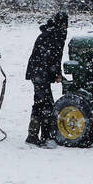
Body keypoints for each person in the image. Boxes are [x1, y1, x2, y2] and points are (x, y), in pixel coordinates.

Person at [25, 11, 68, 146]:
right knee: (44, 103)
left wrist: (55, 73)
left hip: (38, 72)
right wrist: (56, 73)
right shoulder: (55, 35)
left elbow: (53, 57)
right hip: (40, 72)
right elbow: (54, 57)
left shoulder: (51, 33)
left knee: (43, 102)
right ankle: (40, 136)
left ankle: (38, 134)